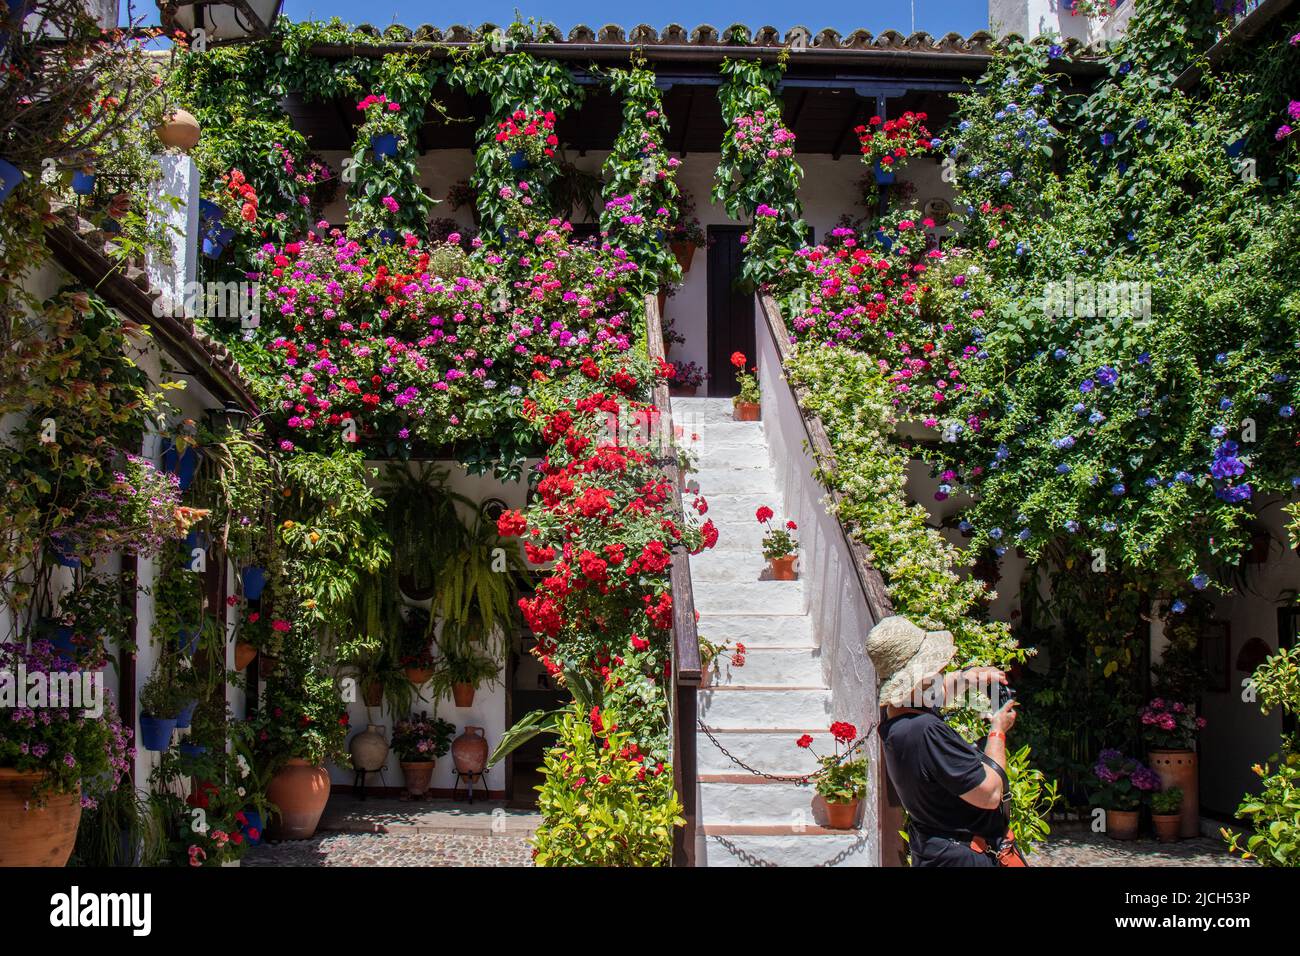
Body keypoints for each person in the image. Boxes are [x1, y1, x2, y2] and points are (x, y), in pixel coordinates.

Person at [866, 615, 1022, 867]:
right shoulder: (927, 732)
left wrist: (969, 677)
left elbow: (937, 692)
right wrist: (998, 730)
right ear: (918, 679)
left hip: (934, 850)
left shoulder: (898, 717)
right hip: (962, 856)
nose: (940, 671)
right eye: (933, 669)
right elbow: (991, 793)